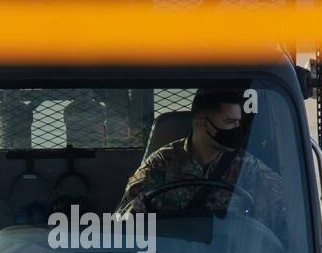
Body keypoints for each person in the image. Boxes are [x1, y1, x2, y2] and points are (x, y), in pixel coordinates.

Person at [117, 87, 284, 230]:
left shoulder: (249, 168)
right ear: (202, 124)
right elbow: (121, 221)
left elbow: (291, 215)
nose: (237, 129)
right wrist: (135, 212)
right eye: (230, 122)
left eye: (238, 122)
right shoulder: (160, 164)